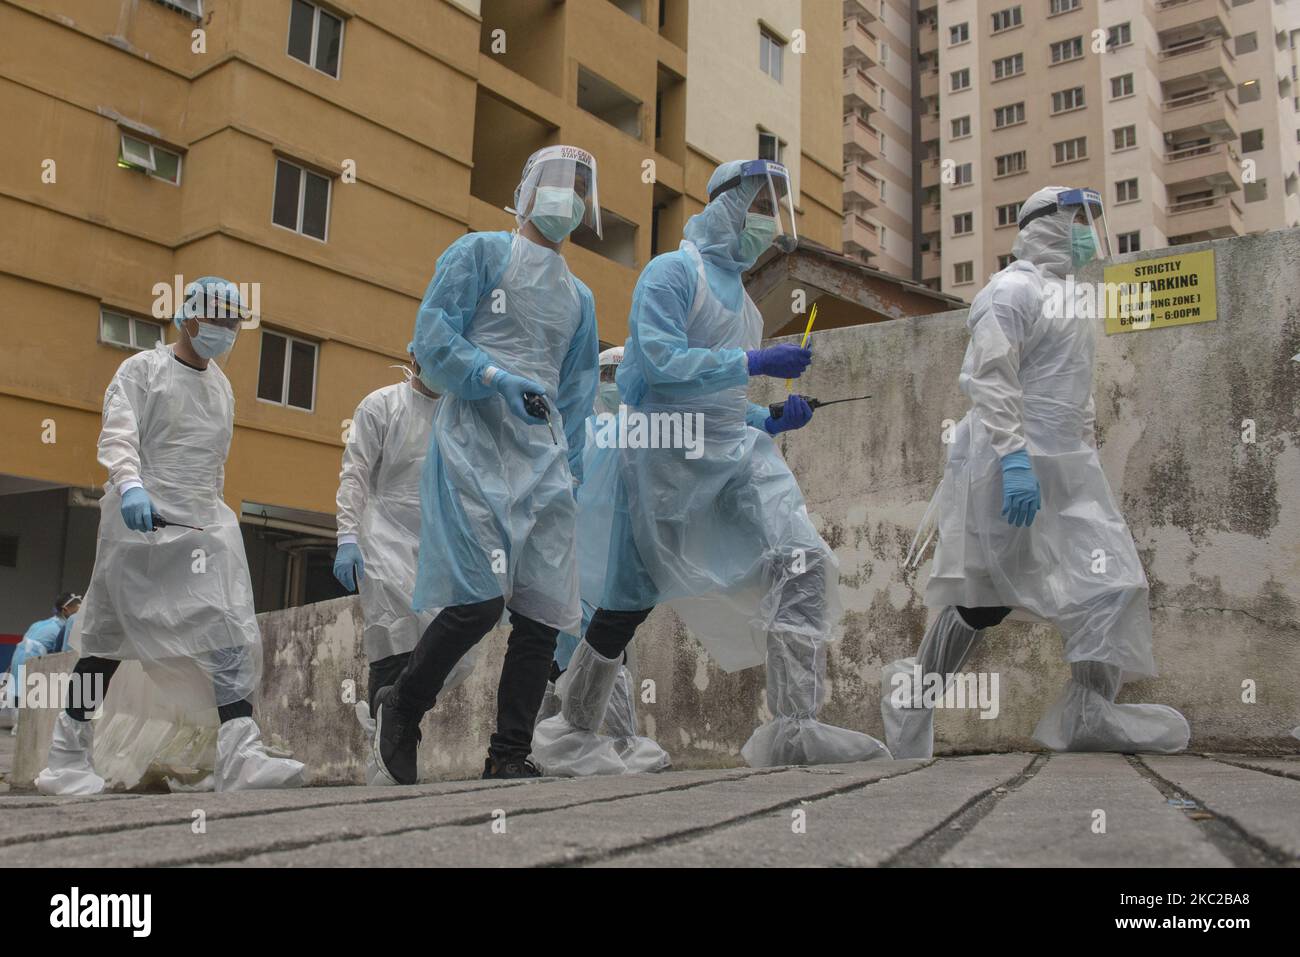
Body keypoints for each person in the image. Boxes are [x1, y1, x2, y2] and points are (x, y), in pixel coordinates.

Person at [533, 159, 891, 774]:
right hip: (663, 460)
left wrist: (766, 419)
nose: (765, 222)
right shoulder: (671, 273)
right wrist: (753, 363)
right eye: (758, 204)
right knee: (626, 601)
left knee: (798, 558)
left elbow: (720, 399)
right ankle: (573, 730)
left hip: (735, 456)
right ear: (725, 204)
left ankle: (796, 726)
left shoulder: (746, 302)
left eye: (774, 208)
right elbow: (662, 364)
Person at [882, 186, 1190, 757]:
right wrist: (1015, 458)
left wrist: (1085, 451)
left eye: (1088, 220)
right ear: (1044, 224)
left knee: (1114, 583)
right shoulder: (1011, 290)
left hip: (1070, 467)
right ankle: (911, 699)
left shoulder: (1072, 299)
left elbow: (1075, 391)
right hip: (1009, 462)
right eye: (1076, 219)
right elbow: (990, 379)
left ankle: (1091, 712)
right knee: (985, 599)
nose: (1084, 232)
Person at [371, 146, 601, 784]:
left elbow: (579, 392)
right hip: (475, 445)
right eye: (561, 183)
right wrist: (495, 377)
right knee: (477, 602)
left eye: (582, 188)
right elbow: (434, 336)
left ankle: (508, 753)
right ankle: (404, 704)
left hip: (544, 462)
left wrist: (572, 469)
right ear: (528, 189)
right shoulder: (479, 254)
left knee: (543, 613)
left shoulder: (580, 297)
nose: (571, 198)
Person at [36, 277, 305, 795]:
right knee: (104, 644)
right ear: (188, 316)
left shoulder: (221, 386)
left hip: (200, 523)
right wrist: (132, 486)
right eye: (218, 318)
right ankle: (65, 759)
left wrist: (208, 511)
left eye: (234, 321)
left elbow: (213, 462)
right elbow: (118, 435)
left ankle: (240, 754)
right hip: (138, 528)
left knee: (227, 627)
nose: (226, 330)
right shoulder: (142, 371)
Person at [333, 347, 477, 784]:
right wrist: (347, 536)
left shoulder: (458, 416)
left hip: (437, 538)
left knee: (446, 645)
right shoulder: (381, 405)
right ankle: (393, 748)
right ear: (414, 354)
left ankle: (388, 722)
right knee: (392, 636)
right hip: (383, 534)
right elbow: (355, 472)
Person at [534, 346, 670, 774]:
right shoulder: (581, 430)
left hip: (607, 568)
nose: (610, 383)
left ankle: (564, 746)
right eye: (605, 374)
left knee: (593, 656)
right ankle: (611, 745)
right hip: (570, 563)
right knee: (571, 656)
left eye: (618, 374)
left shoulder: (638, 433)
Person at [3, 593, 81, 731]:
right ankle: (23, 726)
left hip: (18, 656)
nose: (80, 611)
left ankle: (19, 723)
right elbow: (64, 654)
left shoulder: (40, 623)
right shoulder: (63, 627)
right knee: (32, 693)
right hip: (33, 659)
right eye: (77, 608)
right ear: (65, 610)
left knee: (21, 691)